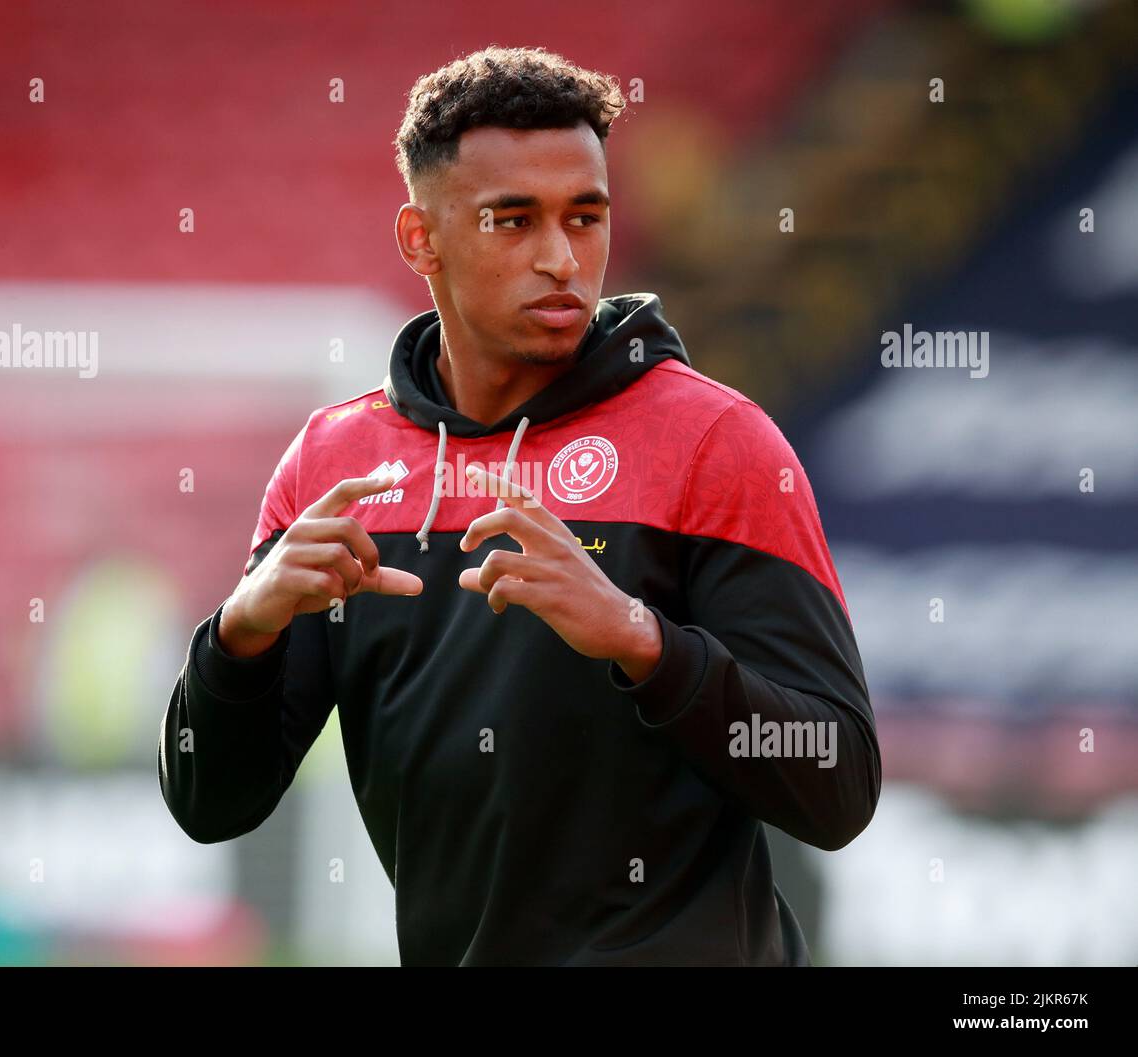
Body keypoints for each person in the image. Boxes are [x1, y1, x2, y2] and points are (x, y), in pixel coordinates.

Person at [158, 45, 880, 966]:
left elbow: (838, 783)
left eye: (586, 217)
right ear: (421, 240)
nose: (560, 258)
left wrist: (640, 640)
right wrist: (239, 638)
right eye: (514, 220)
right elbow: (210, 802)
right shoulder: (338, 462)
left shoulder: (714, 445)